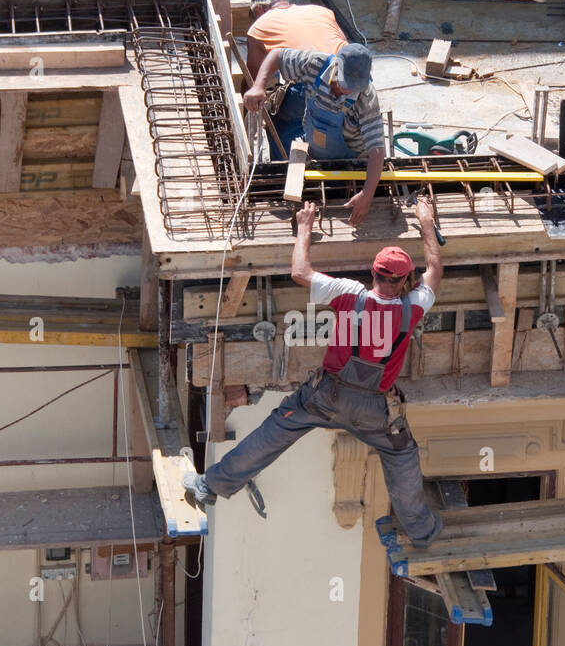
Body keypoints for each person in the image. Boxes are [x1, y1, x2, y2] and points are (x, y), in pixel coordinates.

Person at [184, 197, 445, 546]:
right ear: (403, 281)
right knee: (401, 455)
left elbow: (300, 272)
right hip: (375, 411)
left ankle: (210, 486)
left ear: (373, 273)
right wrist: (426, 222)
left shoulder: (350, 294)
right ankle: (422, 531)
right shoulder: (412, 307)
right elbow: (435, 269)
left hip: (324, 397)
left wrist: (305, 225)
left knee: (276, 430)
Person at [244, 43, 385, 226]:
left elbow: (377, 149)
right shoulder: (315, 64)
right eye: (347, 83)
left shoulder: (366, 97)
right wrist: (258, 85)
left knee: (340, 203)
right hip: (313, 149)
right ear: (336, 66)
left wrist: (366, 195)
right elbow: (277, 56)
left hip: (350, 161)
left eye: (355, 86)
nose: (350, 90)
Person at [243, 0, 348, 159]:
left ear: (259, 9)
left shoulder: (260, 24)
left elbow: (253, 81)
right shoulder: (322, 11)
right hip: (347, 81)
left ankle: (285, 169)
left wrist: (249, 105)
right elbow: (345, 49)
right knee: (336, 125)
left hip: (310, 87)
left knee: (280, 121)